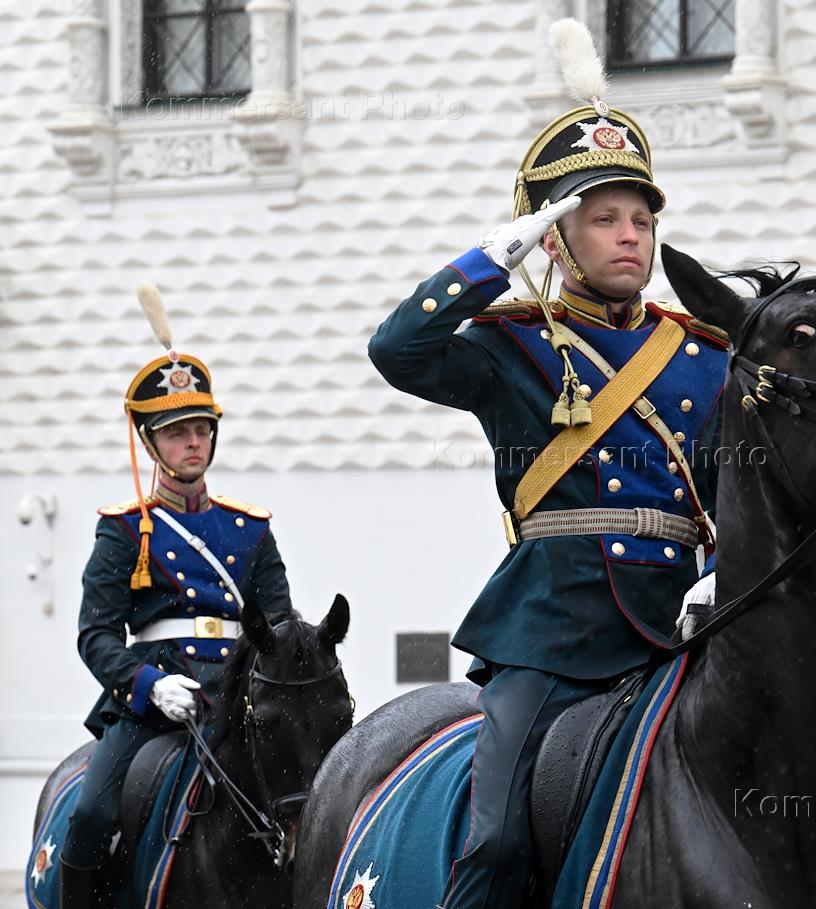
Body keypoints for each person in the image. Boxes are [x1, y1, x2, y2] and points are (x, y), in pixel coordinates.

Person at [367, 20, 726, 907]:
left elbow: (733, 494)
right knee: (494, 840)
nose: (630, 236)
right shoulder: (511, 347)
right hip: (548, 629)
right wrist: (496, 257)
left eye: (641, 219)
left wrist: (718, 572)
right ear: (559, 239)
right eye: (603, 218)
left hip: (676, 627)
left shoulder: (705, 357)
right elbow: (398, 349)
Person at [59, 287, 292, 909]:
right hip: (155, 693)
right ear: (150, 442)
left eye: (201, 430)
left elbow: (279, 624)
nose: (192, 443)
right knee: (92, 814)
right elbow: (96, 635)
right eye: (176, 433)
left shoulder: (251, 528)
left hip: (237, 690)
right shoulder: (123, 527)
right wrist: (145, 686)